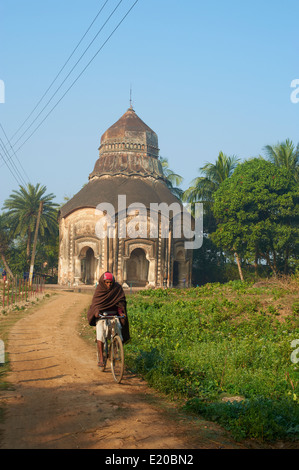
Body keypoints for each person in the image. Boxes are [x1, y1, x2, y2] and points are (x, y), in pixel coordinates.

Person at [87, 272, 130, 370]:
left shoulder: (117, 288)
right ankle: (101, 358)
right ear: (103, 282)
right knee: (101, 333)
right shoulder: (100, 290)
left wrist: (121, 313)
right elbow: (96, 304)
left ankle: (116, 350)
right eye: (106, 282)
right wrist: (97, 312)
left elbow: (120, 302)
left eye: (110, 283)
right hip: (102, 316)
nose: (109, 285)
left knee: (118, 330)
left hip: (114, 315)